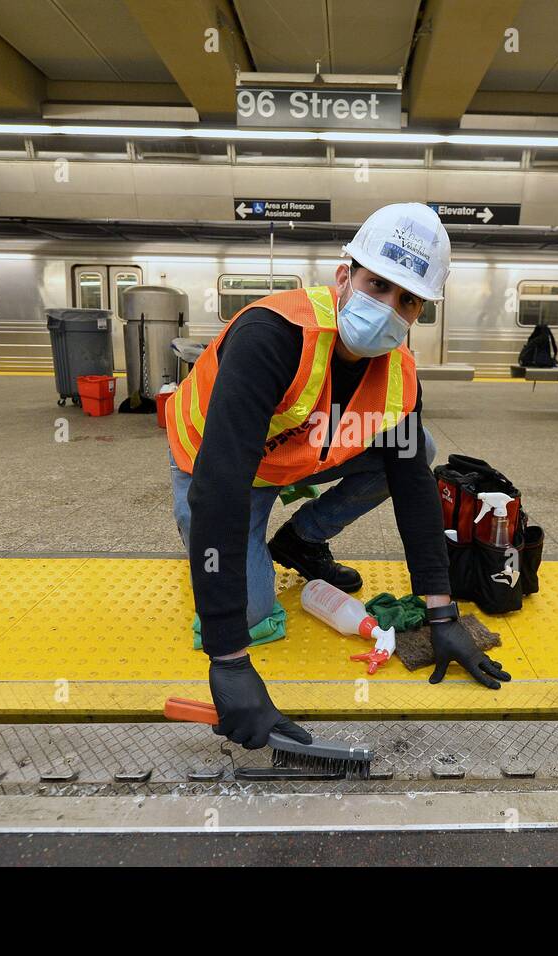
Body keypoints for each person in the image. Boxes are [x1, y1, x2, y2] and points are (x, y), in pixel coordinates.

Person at [166, 202, 511, 751]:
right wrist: (228, 661)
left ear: (420, 312)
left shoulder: (399, 375)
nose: (389, 307)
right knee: (247, 612)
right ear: (344, 276)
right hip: (216, 466)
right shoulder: (271, 335)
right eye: (378, 285)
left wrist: (442, 612)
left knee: (416, 449)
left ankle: (301, 540)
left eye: (408, 300)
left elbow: (413, 488)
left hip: (297, 452)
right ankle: (222, 543)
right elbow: (221, 489)